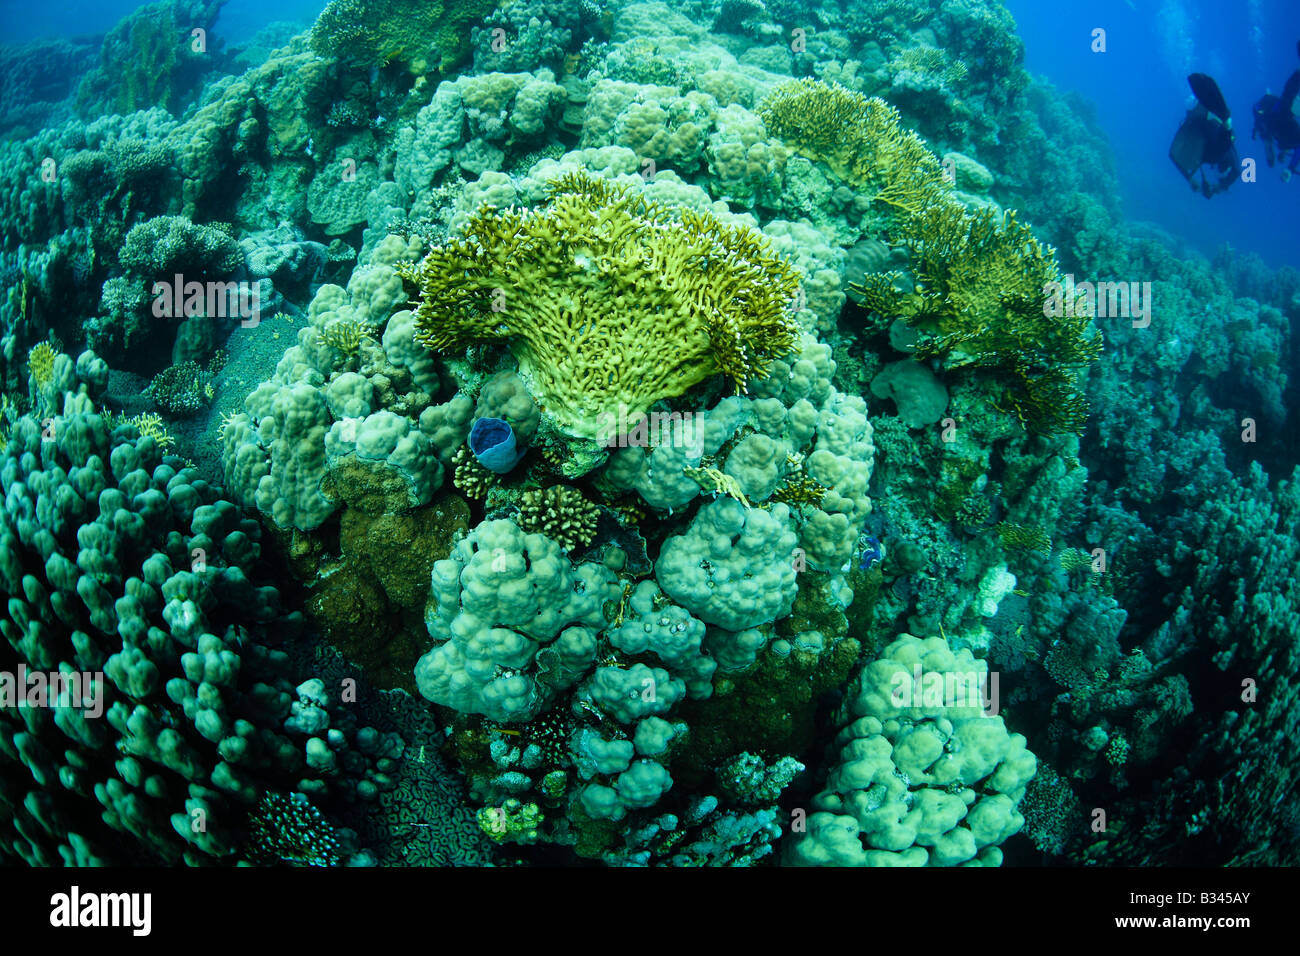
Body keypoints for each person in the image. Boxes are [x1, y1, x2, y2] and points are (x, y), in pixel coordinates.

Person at [1170, 73, 1239, 198]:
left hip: (1206, 147)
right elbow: (1237, 170)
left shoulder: (1194, 128)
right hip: (1212, 147)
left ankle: (1227, 124)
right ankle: (1227, 124)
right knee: (1223, 143)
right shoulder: (1223, 153)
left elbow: (1174, 155)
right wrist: (1218, 186)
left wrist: (1190, 179)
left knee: (1223, 142)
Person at [1251, 45, 1300, 181]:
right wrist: (1289, 168)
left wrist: (1289, 167)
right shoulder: (1270, 113)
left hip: (1274, 120)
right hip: (1275, 119)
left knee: (1285, 103)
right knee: (1285, 103)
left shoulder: (1268, 114)